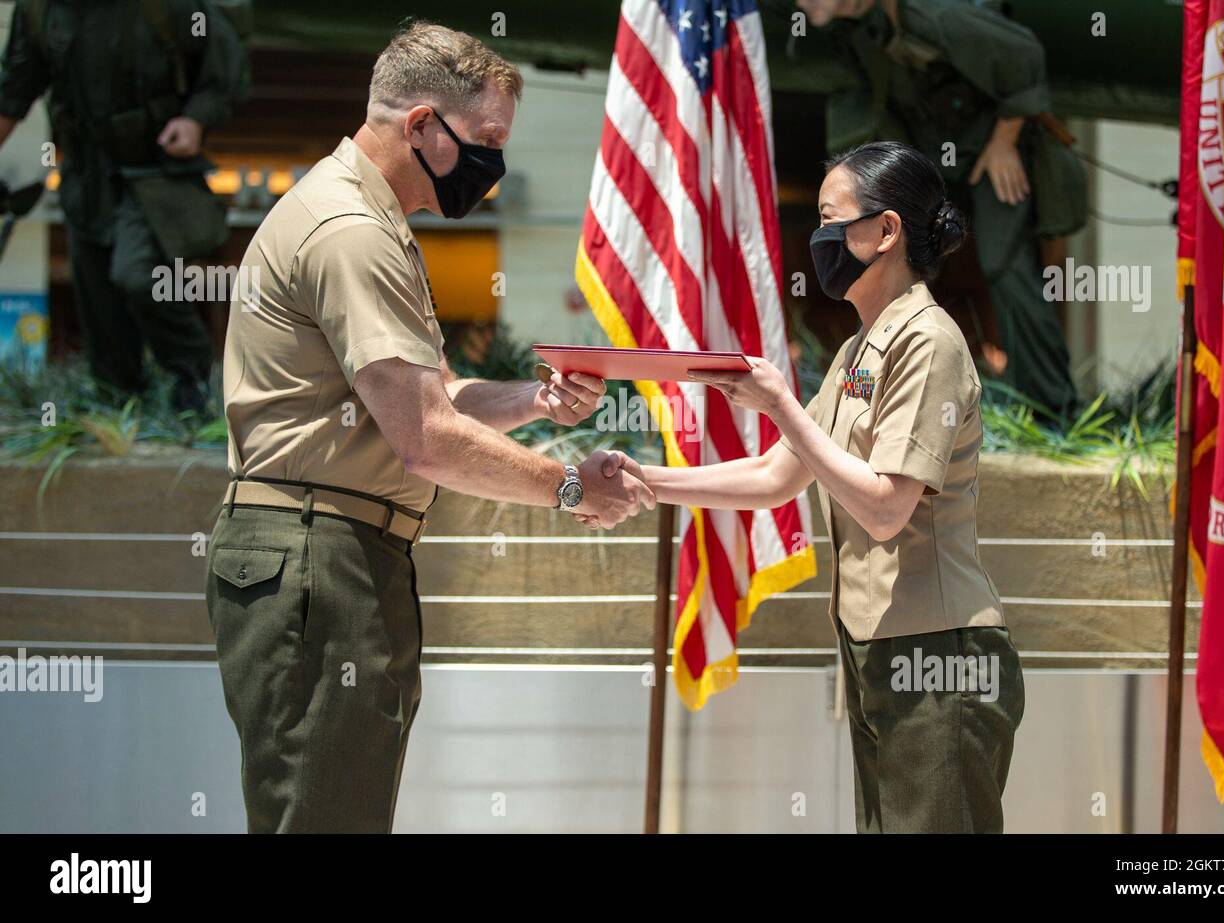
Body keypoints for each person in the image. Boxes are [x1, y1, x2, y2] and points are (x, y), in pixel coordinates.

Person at [207, 20, 654, 833]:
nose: (493, 163)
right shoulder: (349, 232)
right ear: (421, 126)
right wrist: (567, 487)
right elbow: (425, 436)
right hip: (317, 555)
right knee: (324, 817)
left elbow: (434, 397)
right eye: (483, 139)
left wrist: (535, 400)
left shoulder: (372, 224)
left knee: (338, 808)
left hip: (337, 552)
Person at [598, 142, 1025, 833]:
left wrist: (779, 404)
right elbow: (777, 474)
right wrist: (646, 481)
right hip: (877, 648)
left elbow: (887, 506)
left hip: (939, 654)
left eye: (832, 220)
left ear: (885, 232)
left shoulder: (929, 341)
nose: (819, 239)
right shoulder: (862, 350)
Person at [793, 0, 1082, 419]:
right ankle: (874, 400)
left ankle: (1052, 413)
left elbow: (1024, 55)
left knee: (1006, 267)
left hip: (993, 155)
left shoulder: (935, 14)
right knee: (886, 262)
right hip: (932, 160)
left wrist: (1004, 142)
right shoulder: (857, 29)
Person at [0, 0, 249, 412]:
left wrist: (196, 119)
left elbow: (224, 62)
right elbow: (13, 92)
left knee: (139, 274)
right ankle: (119, 404)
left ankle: (194, 378)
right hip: (86, 175)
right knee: (98, 296)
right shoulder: (41, 12)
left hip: (155, 170)